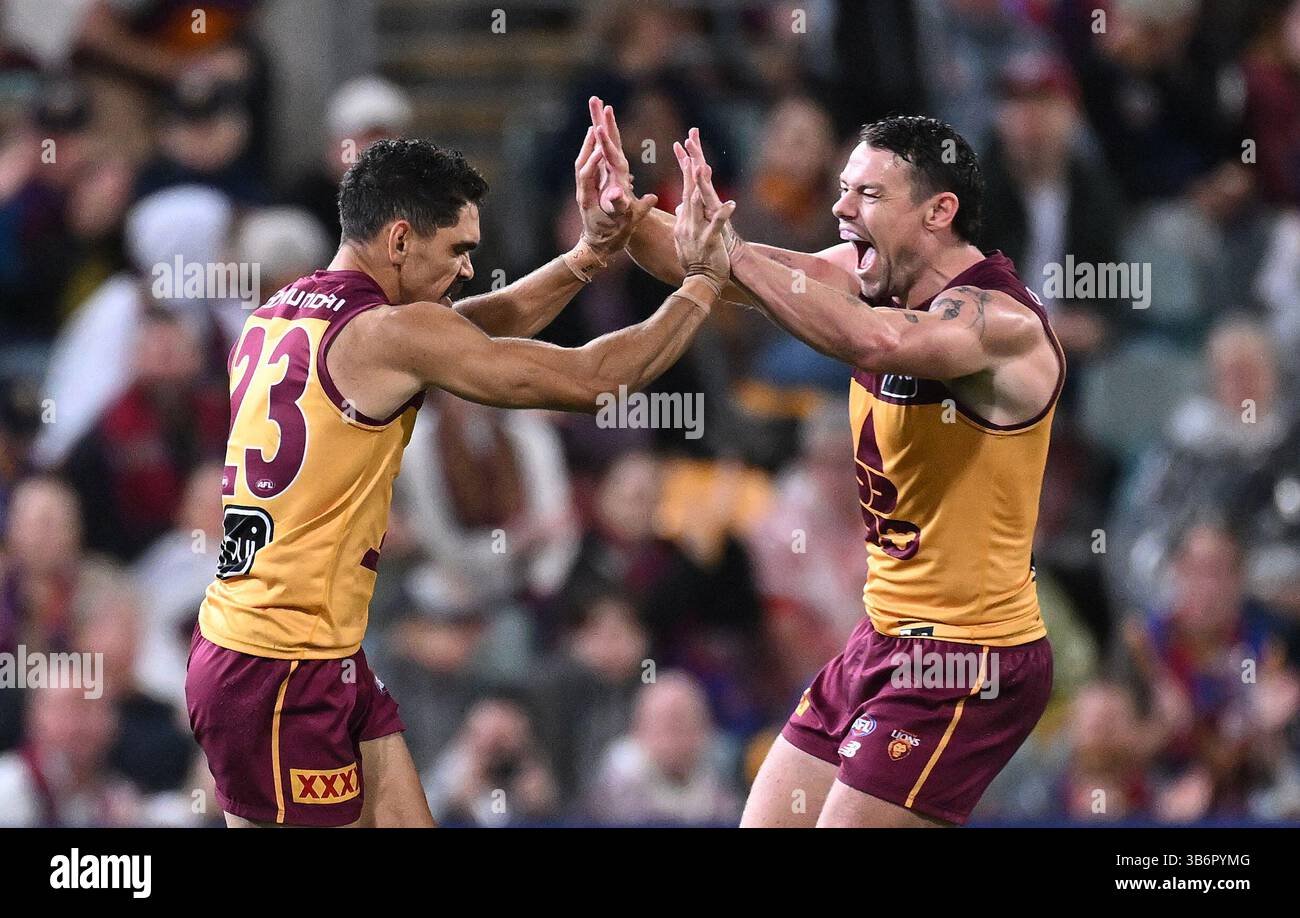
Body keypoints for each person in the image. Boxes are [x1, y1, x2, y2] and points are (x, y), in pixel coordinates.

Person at [184, 129, 737, 828]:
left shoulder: (279, 316)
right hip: (278, 670)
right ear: (400, 241)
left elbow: (472, 332)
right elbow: (593, 378)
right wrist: (704, 282)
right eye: (458, 250)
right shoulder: (390, 336)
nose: (470, 270)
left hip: (298, 652)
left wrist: (587, 257)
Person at [596, 97, 1063, 827]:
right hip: (878, 640)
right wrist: (627, 217)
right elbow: (709, 263)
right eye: (844, 187)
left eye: (868, 194)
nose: (841, 208)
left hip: (969, 662)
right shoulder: (865, 272)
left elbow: (876, 342)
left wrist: (735, 255)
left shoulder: (999, 325)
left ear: (939, 212)